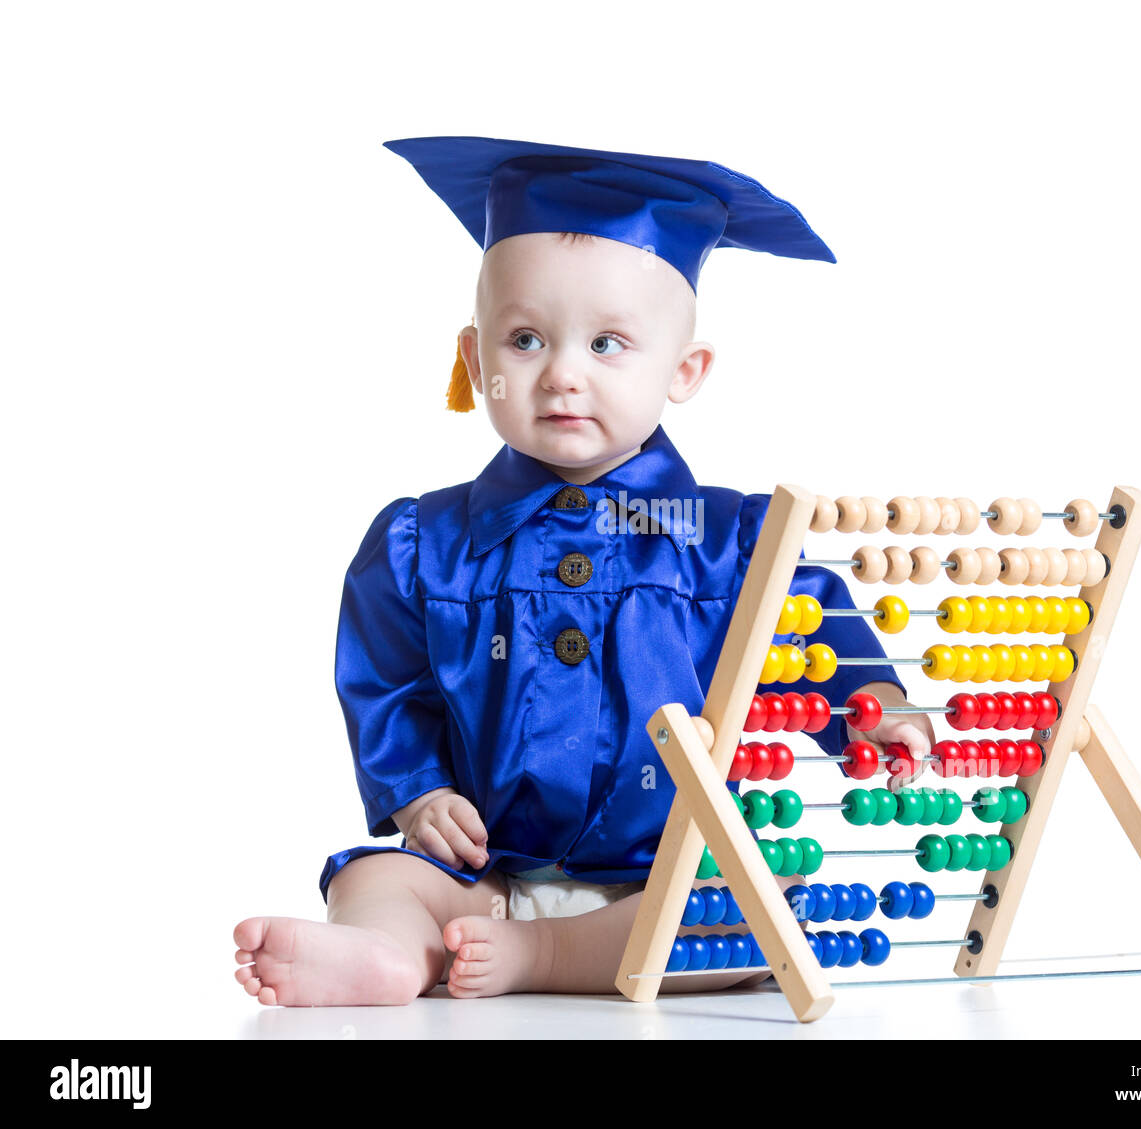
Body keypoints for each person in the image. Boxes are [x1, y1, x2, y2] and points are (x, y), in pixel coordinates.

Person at [233, 137, 935, 1006]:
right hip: (483, 868)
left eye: (608, 344)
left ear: (685, 371)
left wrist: (877, 712)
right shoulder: (424, 541)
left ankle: (542, 955)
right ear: (473, 356)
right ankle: (392, 953)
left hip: (664, 872)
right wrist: (418, 797)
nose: (563, 373)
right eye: (525, 339)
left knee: (755, 912)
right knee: (375, 879)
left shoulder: (729, 541)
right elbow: (387, 681)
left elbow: (811, 636)